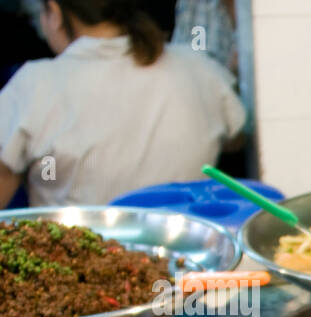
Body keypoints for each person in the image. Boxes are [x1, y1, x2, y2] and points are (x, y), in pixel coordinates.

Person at [0, 0, 246, 207]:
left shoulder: (34, 85)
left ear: (54, 12)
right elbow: (237, 139)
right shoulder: (201, 69)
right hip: (187, 255)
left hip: (75, 258)